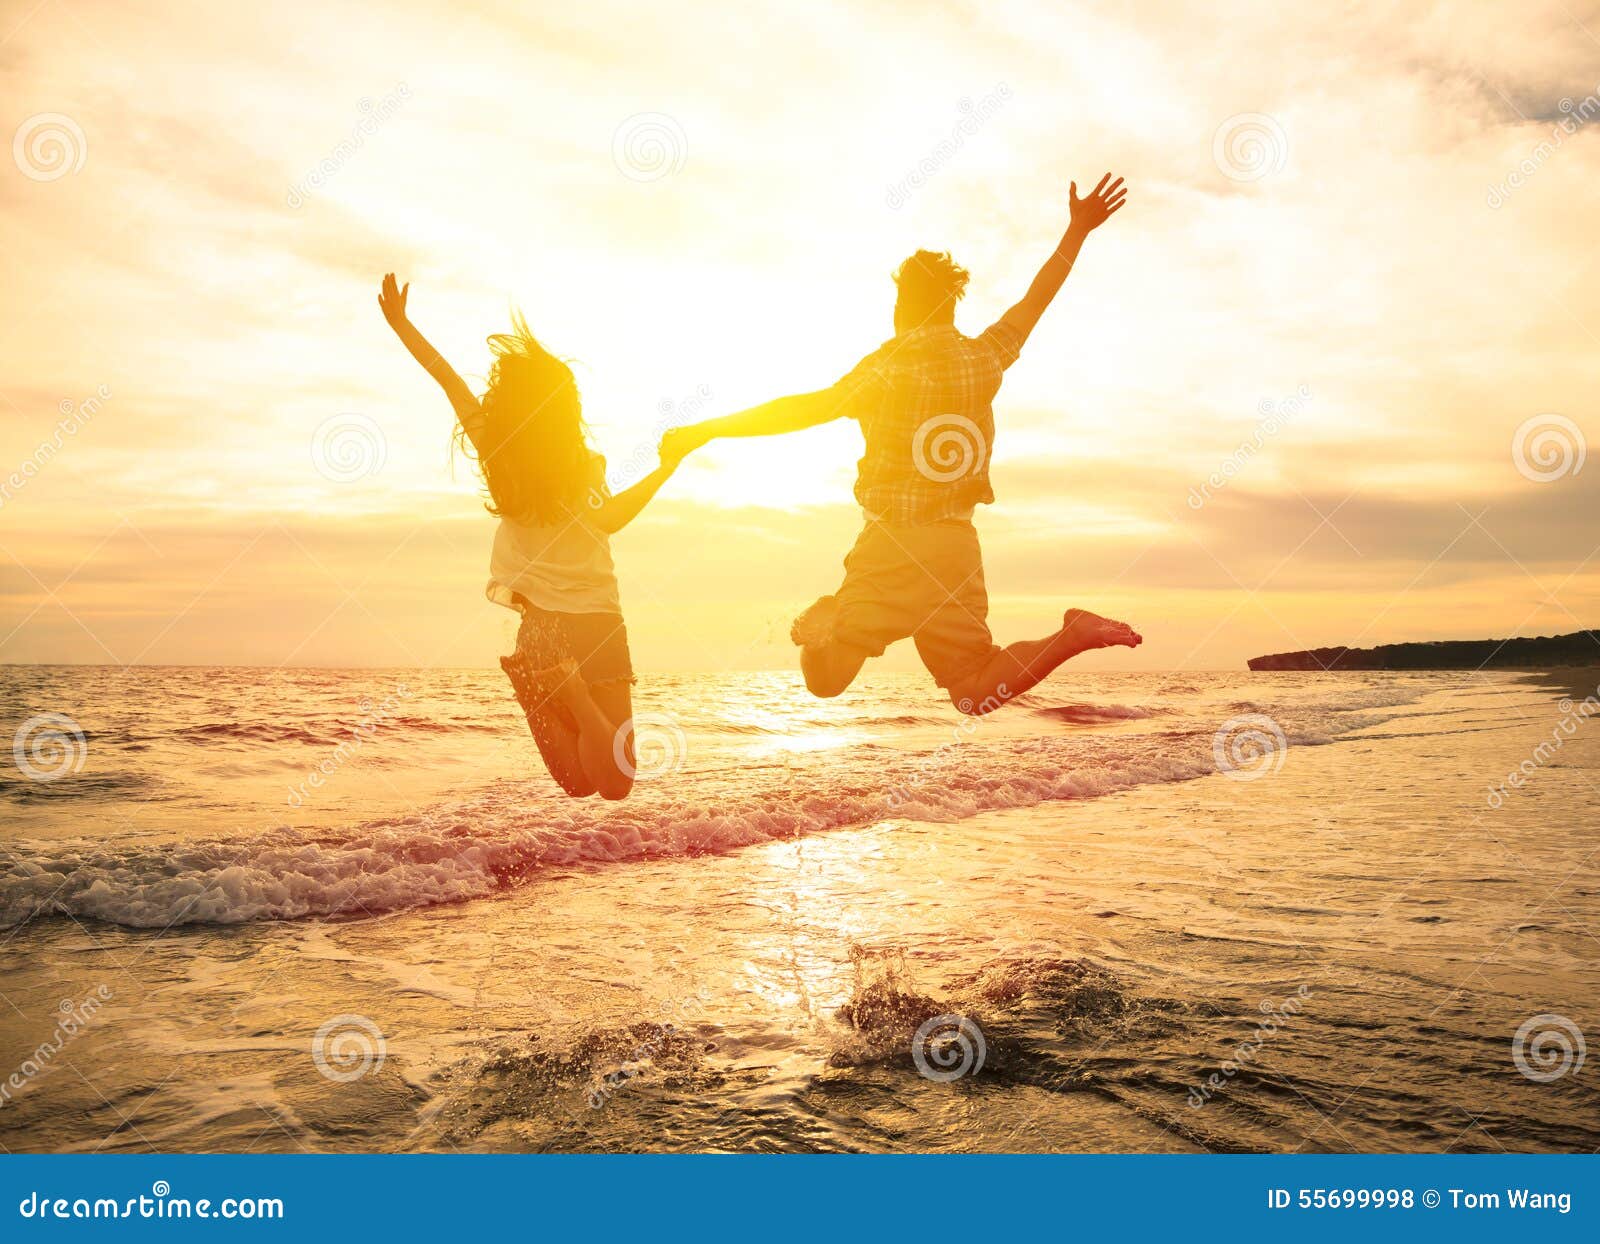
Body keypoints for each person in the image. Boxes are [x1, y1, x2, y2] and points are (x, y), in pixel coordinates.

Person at [664, 175, 1140, 715]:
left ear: (902, 305)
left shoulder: (886, 368)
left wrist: (709, 428)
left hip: (893, 544)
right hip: (956, 547)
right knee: (973, 689)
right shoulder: (984, 357)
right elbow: (1037, 300)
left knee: (824, 684)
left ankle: (827, 625)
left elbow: (801, 408)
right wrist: (1076, 231)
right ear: (952, 306)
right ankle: (1070, 636)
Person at [378, 274, 686, 798]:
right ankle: (576, 696)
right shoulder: (585, 464)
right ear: (566, 407)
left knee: (579, 787)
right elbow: (609, 519)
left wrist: (403, 326)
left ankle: (561, 689)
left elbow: (448, 381)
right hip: (597, 620)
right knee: (615, 784)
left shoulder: (498, 455)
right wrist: (666, 467)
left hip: (541, 630)